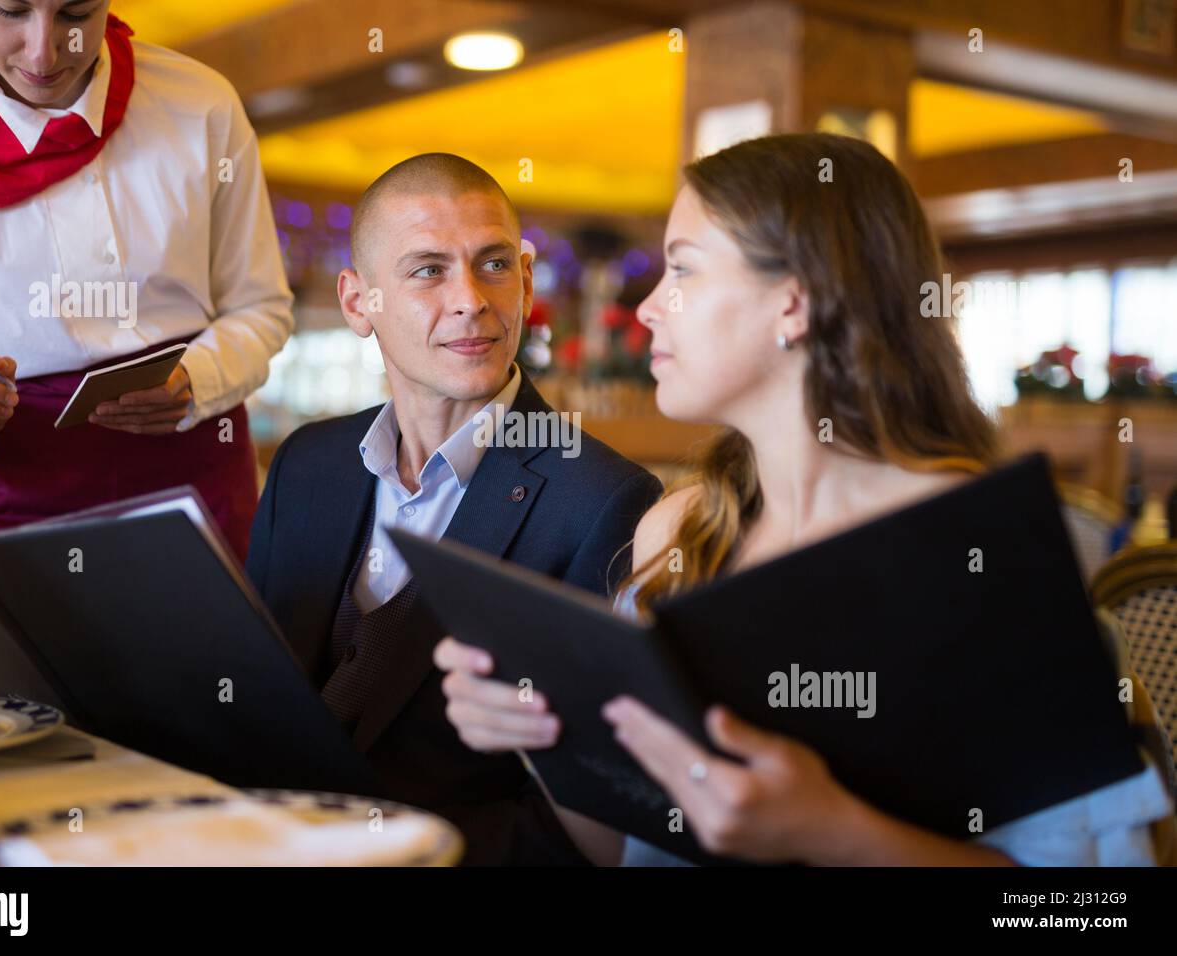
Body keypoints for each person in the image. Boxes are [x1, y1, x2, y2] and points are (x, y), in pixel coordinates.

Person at [435, 132, 1175, 866]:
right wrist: (546, 738)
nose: (650, 308)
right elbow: (628, 850)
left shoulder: (982, 556)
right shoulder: (677, 534)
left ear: (794, 303)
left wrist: (833, 833)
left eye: (682, 269)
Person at [245, 152, 663, 865]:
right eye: (429, 269)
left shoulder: (606, 502)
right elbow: (253, 702)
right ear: (357, 303)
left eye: (495, 264)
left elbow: (585, 824)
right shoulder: (305, 464)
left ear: (527, 283)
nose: (471, 298)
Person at [0, 0, 293, 672]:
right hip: (13, 505)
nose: (44, 51)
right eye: (11, 11)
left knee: (215, 745)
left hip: (194, 490)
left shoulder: (201, 104)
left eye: (75, 10)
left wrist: (200, 378)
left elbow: (261, 306)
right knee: (7, 762)